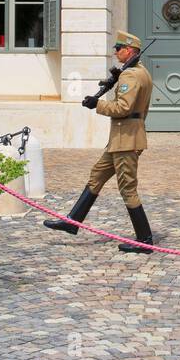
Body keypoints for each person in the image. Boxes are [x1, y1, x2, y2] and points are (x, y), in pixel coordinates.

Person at [44, 30, 157, 253]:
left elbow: (123, 108)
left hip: (126, 139)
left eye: (119, 48)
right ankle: (72, 221)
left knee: (127, 188)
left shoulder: (131, 75)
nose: (115, 52)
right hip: (122, 138)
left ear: (131, 51)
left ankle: (145, 239)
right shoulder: (139, 72)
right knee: (97, 176)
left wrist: (97, 104)